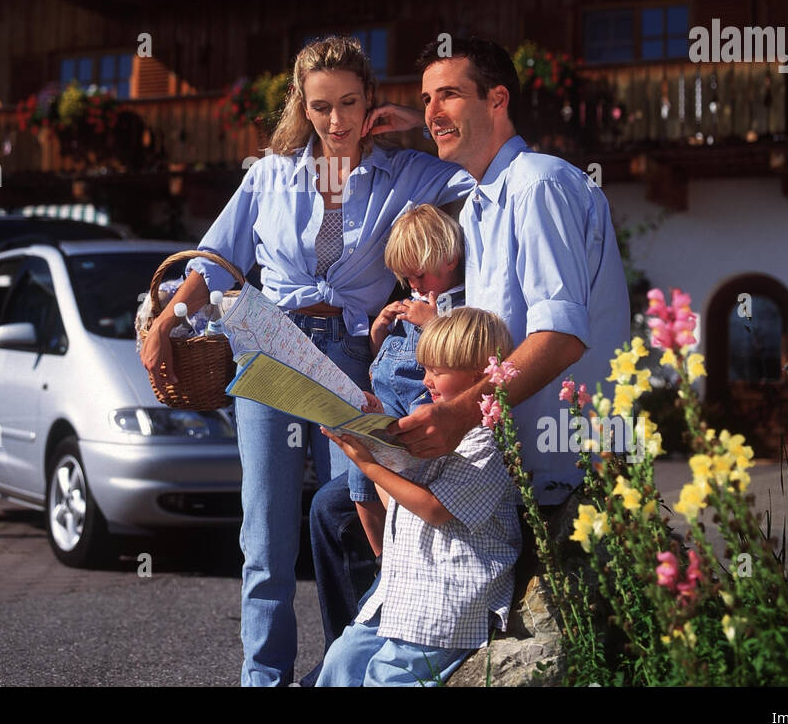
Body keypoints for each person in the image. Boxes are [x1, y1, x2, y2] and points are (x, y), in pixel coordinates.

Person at [139, 36, 474, 687]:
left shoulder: (405, 172)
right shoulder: (269, 173)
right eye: (322, 106)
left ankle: (359, 669)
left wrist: (412, 121)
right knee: (265, 533)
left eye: (351, 103)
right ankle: (264, 678)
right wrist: (165, 322)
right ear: (303, 104)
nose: (338, 120)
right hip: (268, 341)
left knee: (349, 510)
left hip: (351, 354)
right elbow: (212, 258)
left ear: (370, 100)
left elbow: (479, 171)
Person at [363, 36, 632, 574]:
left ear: (498, 100)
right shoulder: (478, 201)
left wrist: (459, 415)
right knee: (339, 509)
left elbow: (560, 338)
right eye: (425, 100)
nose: (433, 111)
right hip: (504, 465)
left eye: (449, 95)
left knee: (342, 518)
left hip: (561, 472)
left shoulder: (539, 185)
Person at [316, 307, 521, 686]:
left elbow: (434, 509)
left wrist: (368, 463)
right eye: (424, 368)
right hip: (405, 590)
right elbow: (399, 501)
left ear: (478, 378)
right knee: (341, 662)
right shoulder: (433, 425)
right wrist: (374, 434)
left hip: (445, 600)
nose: (426, 380)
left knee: (388, 677)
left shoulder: (488, 437)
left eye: (437, 371)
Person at [304, 204, 465, 680]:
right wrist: (378, 334)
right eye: (405, 281)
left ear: (448, 260)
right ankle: (365, 605)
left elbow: (453, 361)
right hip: (390, 420)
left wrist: (430, 321)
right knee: (335, 501)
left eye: (419, 276)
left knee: (335, 504)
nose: (413, 288)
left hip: (422, 432)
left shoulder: (453, 309)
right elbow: (388, 368)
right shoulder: (411, 305)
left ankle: (383, 574)